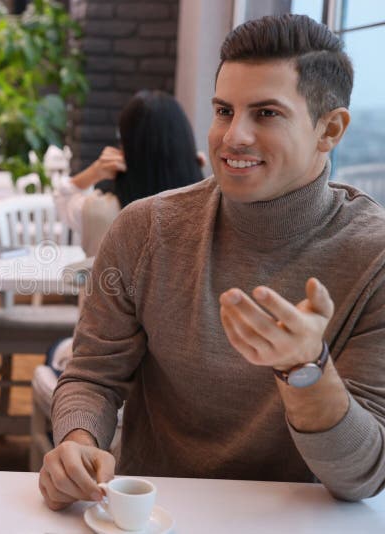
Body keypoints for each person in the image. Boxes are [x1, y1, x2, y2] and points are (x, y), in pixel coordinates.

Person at [40, 13, 385, 508]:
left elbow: (363, 474)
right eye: (224, 110)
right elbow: (93, 374)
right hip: (155, 512)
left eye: (265, 113)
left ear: (330, 129)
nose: (232, 136)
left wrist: (306, 370)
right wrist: (78, 441)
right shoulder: (145, 228)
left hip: (299, 519)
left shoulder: (373, 255)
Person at [53, 90, 203, 257]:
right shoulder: (205, 213)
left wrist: (95, 171)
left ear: (126, 148)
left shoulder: (100, 213)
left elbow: (63, 196)